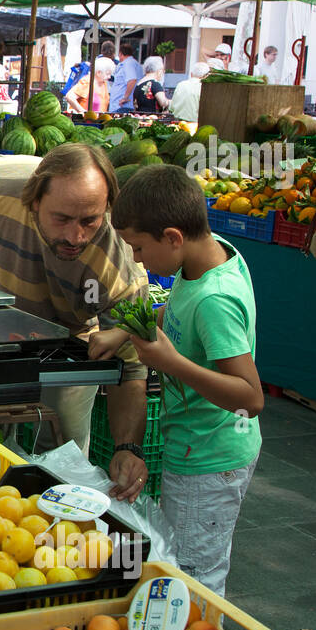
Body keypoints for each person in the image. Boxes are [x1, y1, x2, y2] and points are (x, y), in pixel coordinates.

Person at [0, 144, 152, 500]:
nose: (75, 236)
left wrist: (128, 447)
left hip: (71, 339)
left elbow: (130, 368)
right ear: (34, 201)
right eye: (62, 218)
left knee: (61, 450)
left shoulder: (120, 268)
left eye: (90, 220)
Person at [97, 165, 264, 595]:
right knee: (179, 554)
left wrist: (172, 363)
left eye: (138, 247)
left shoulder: (215, 300)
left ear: (172, 237)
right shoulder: (206, 259)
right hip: (193, 445)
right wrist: (126, 329)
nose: (135, 258)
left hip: (209, 459)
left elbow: (250, 397)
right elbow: (177, 312)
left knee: (193, 574)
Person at [108, 43, 142, 114]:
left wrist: (125, 97)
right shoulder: (134, 63)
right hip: (123, 105)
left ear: (120, 53)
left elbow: (132, 80)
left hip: (121, 105)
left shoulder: (128, 63)